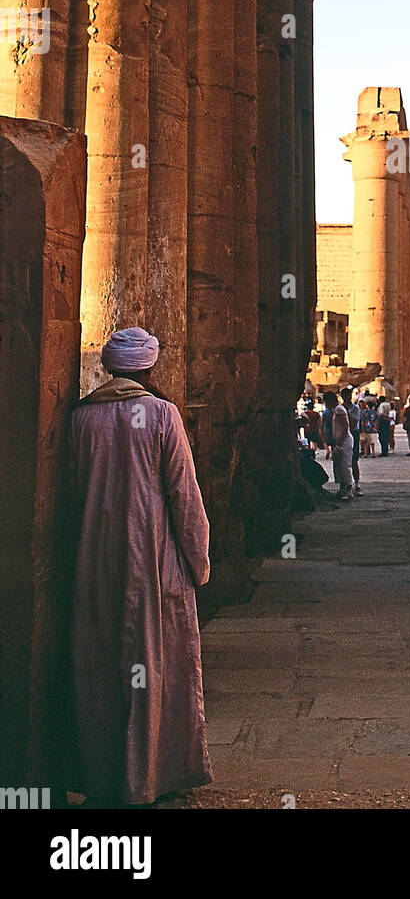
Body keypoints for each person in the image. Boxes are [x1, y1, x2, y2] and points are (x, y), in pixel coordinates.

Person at [67, 327, 212, 806]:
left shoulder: (81, 418)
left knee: (101, 666)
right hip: (152, 558)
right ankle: (149, 776)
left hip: (92, 560)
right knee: (154, 668)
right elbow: (184, 496)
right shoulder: (161, 414)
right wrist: (198, 560)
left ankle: (104, 775)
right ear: (149, 368)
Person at [329, 390, 355, 501]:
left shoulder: (339, 410)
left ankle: (349, 489)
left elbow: (345, 426)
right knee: (339, 465)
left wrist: (339, 442)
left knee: (345, 465)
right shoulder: (336, 409)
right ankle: (342, 488)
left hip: (344, 440)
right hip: (339, 439)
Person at [342, 386, 363, 495]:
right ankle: (344, 485)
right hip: (342, 434)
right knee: (343, 461)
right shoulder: (340, 408)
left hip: (353, 433)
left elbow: (354, 422)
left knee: (354, 460)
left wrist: (345, 413)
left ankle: (357, 484)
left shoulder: (355, 408)